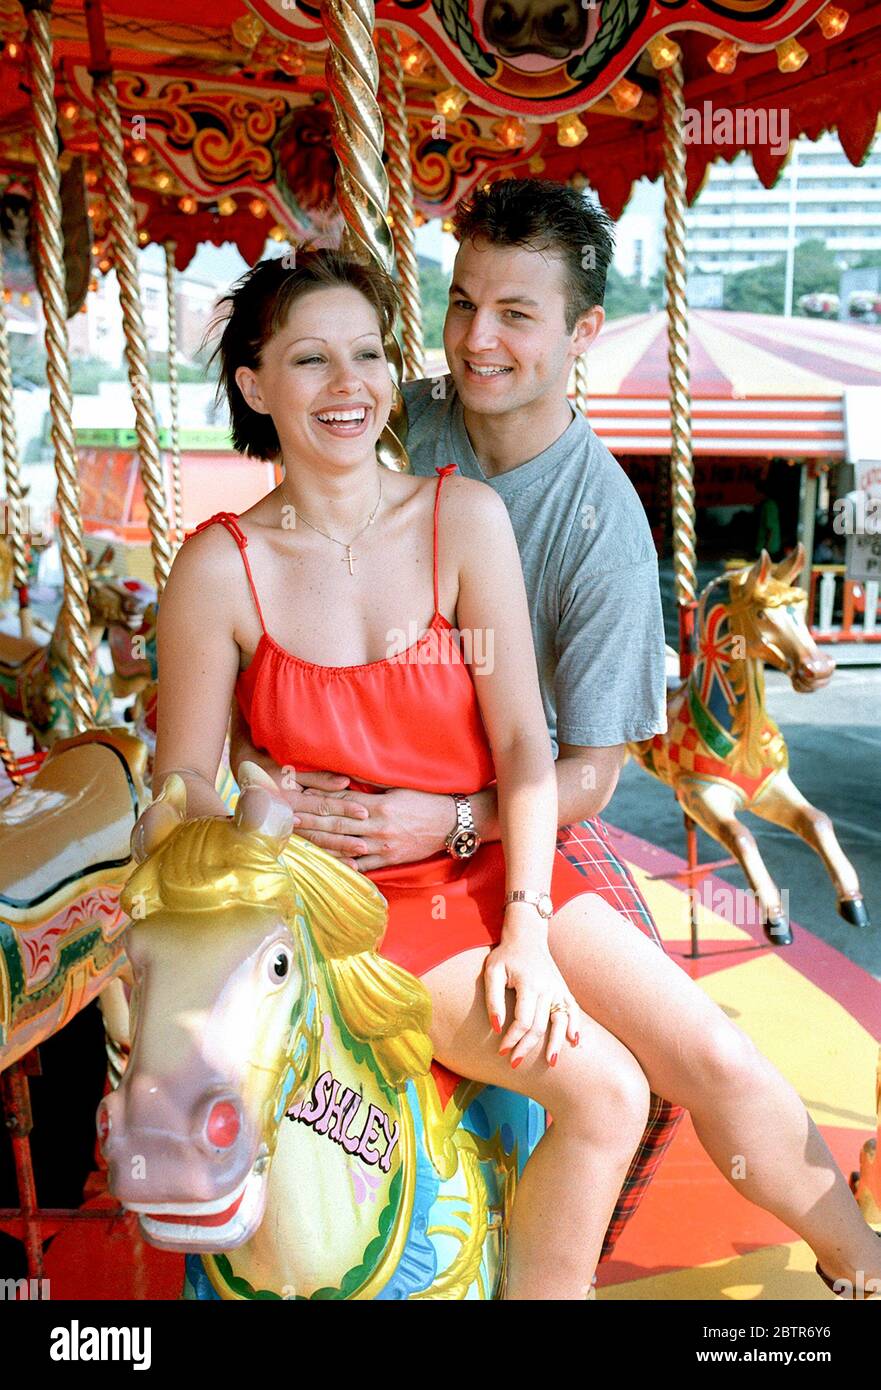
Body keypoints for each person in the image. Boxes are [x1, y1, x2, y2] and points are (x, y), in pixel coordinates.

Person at [137, 246, 881, 1301]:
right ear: (255, 386)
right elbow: (183, 794)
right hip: (354, 909)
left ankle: (861, 1268)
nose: (349, 384)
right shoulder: (219, 567)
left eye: (368, 353)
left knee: (713, 1052)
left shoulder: (457, 519)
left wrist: (526, 930)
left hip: (493, 863)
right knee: (604, 1090)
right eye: (310, 360)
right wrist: (258, 806)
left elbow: (528, 751)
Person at [229, 181, 683, 1266]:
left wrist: (463, 834)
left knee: (656, 1068)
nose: (476, 340)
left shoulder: (583, 525)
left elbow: (566, 768)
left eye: (514, 313)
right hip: (352, 834)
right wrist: (259, 775)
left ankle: (549, 1245)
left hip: (492, 818)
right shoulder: (394, 422)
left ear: (577, 333)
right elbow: (208, 740)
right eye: (461, 304)